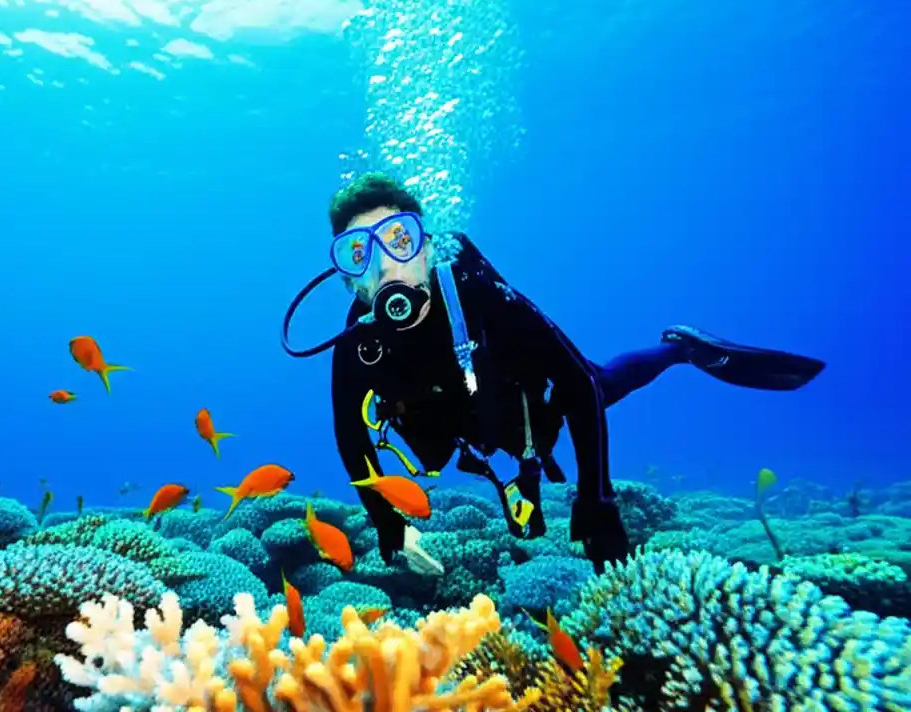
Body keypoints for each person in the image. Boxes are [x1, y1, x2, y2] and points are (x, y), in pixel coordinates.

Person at [280, 173, 825, 574]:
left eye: (399, 240)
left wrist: (597, 497)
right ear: (348, 277)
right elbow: (351, 440)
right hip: (462, 423)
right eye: (358, 252)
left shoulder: (477, 295)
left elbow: (574, 382)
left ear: (425, 246)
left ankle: (680, 348)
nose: (384, 266)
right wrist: (388, 522)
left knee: (603, 382)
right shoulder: (360, 343)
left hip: (528, 393)